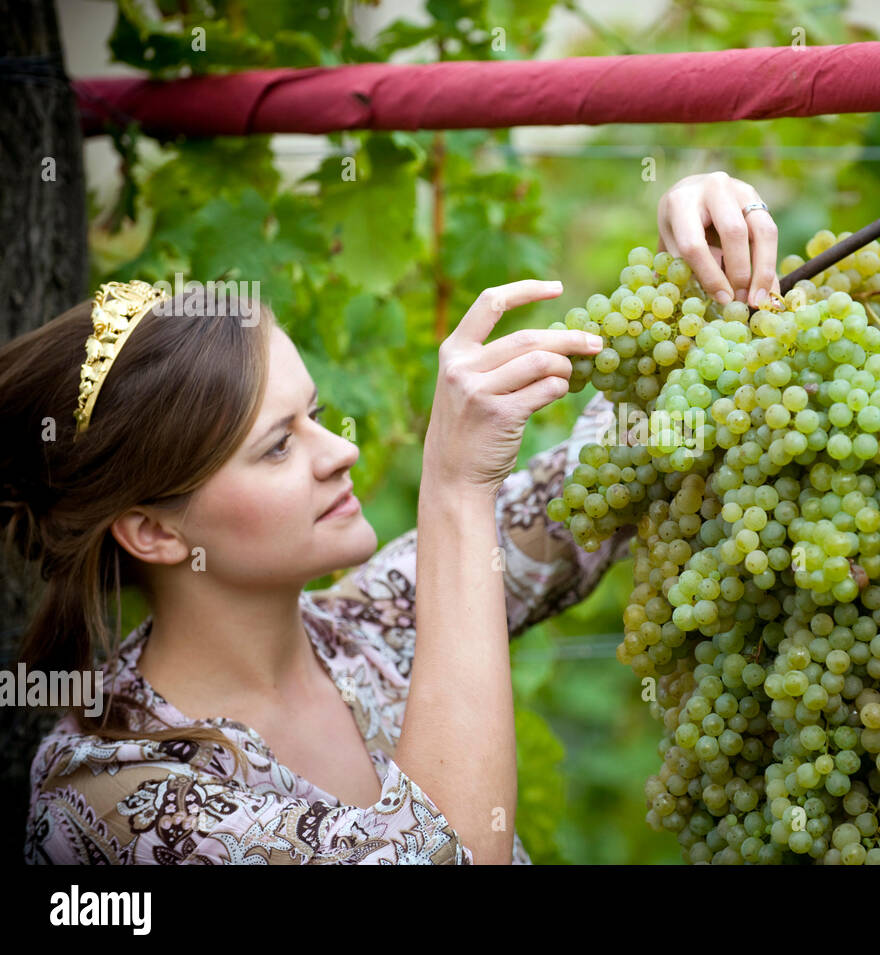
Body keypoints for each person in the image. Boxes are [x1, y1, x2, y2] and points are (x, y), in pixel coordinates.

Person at [3, 171, 780, 864]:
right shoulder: (109, 802)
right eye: (278, 446)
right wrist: (453, 489)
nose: (336, 450)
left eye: (313, 414)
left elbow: (596, 489)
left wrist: (698, 271)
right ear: (155, 531)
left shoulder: (367, 630)